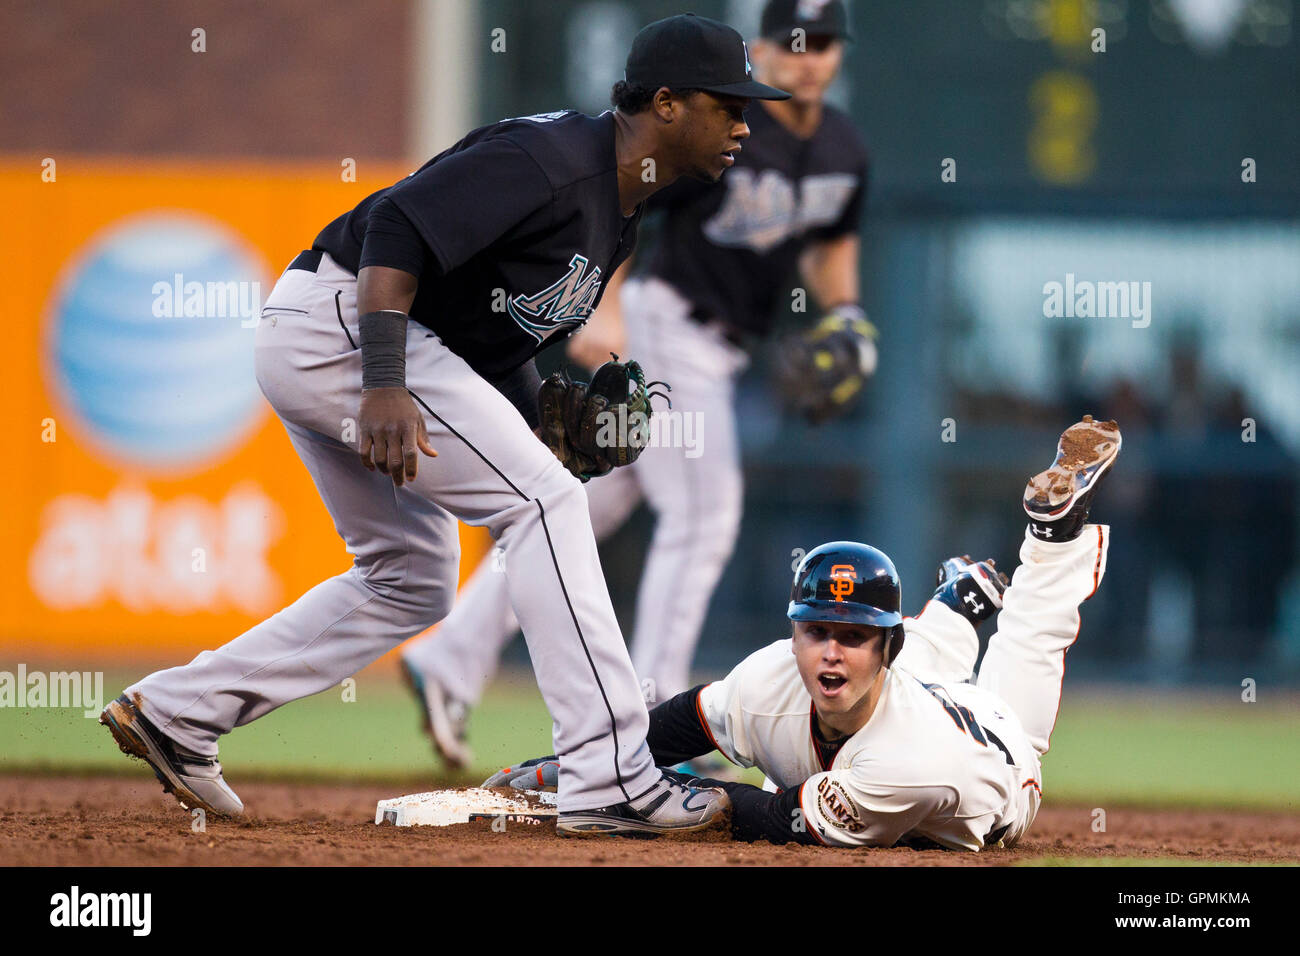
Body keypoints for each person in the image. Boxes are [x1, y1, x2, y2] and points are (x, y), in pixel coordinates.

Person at [99, 13, 790, 837]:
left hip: (341, 334)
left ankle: (179, 712)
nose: (746, 124)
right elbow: (398, 223)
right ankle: (611, 774)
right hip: (349, 324)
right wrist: (385, 382)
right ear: (668, 103)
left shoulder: (623, 207)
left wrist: (542, 418)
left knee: (415, 574)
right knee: (542, 506)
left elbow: (489, 337)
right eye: (730, 104)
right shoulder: (555, 160)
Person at [401, 0, 873, 769]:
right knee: (704, 515)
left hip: (725, 348)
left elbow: (830, 245)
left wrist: (848, 315)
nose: (809, 55)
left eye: (823, 42)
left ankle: (452, 652)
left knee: (588, 497)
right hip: (669, 324)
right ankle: (658, 720)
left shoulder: (843, 149)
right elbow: (633, 205)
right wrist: (604, 307)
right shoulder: (725, 130)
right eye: (793, 41)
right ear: (762, 47)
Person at [487, 417, 1121, 849]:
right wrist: (581, 764)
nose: (830, 649)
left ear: (885, 648)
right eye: (815, 631)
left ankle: (1049, 538)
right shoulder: (777, 673)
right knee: (896, 663)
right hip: (910, 684)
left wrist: (650, 790)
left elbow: (766, 815)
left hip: (994, 764)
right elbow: (680, 722)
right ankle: (955, 604)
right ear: (792, 637)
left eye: (852, 635)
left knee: (1028, 651)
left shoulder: (908, 766)